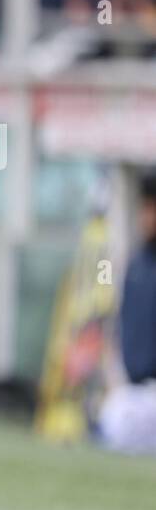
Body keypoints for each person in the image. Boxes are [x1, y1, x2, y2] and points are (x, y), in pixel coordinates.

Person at [98, 173, 156, 454]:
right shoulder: (137, 264)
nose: (146, 217)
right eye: (145, 209)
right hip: (133, 394)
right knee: (114, 419)